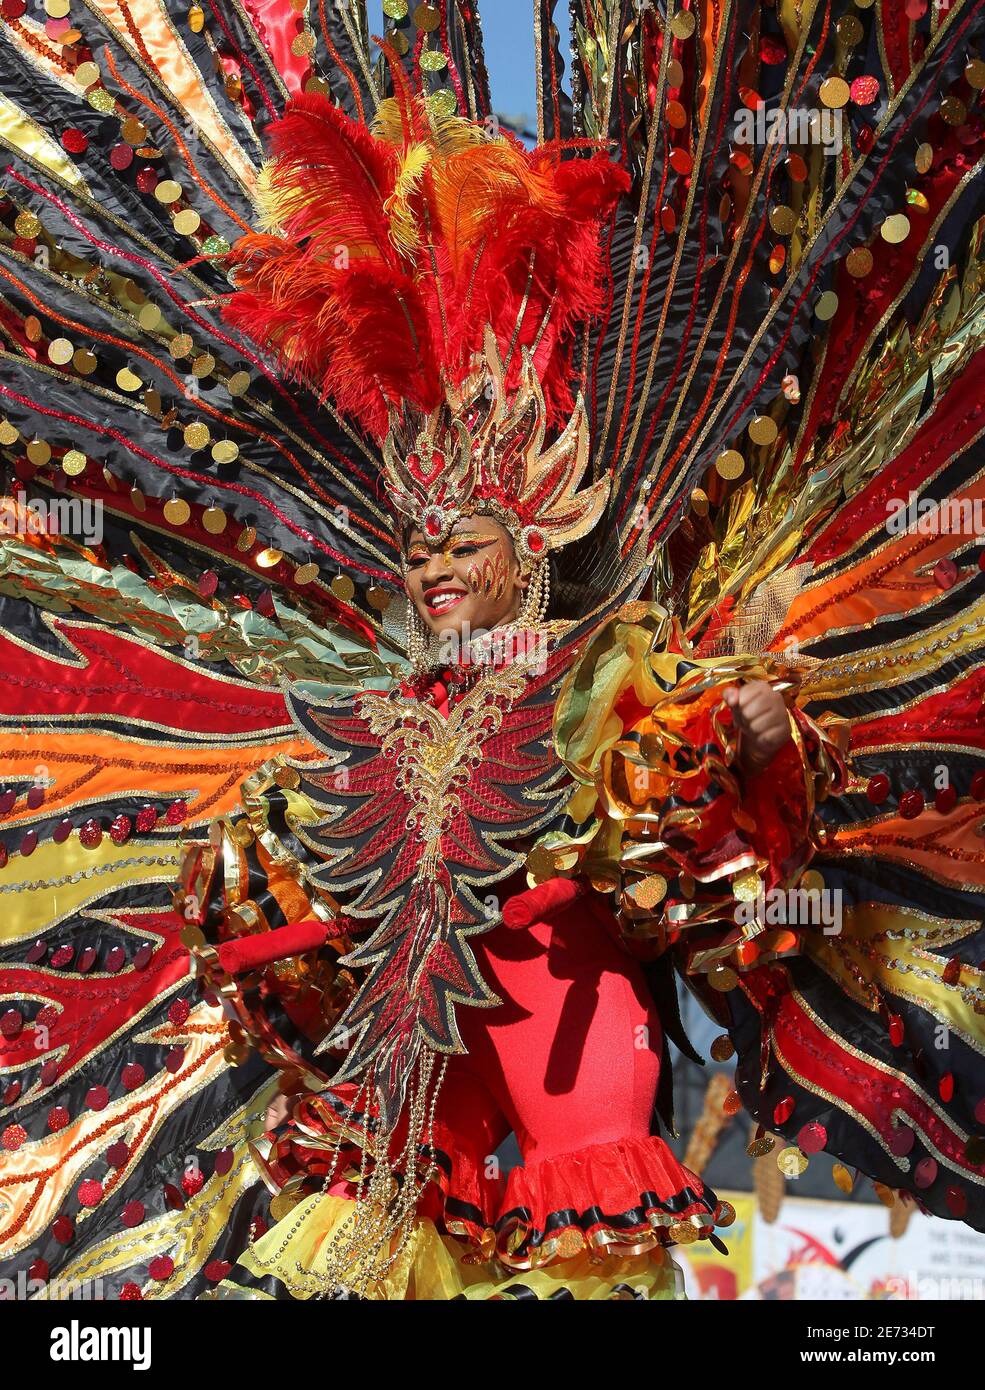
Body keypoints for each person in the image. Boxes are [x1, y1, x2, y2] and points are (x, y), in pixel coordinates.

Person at [2, 0, 985, 1304]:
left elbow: (693, 875)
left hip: (566, 998)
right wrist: (258, 908)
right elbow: (305, 904)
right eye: (419, 547)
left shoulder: (613, 666)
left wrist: (748, 757)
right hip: (403, 1051)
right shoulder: (376, 699)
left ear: (530, 540)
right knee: (356, 1233)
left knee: (595, 1218)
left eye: (462, 541)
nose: (432, 565)